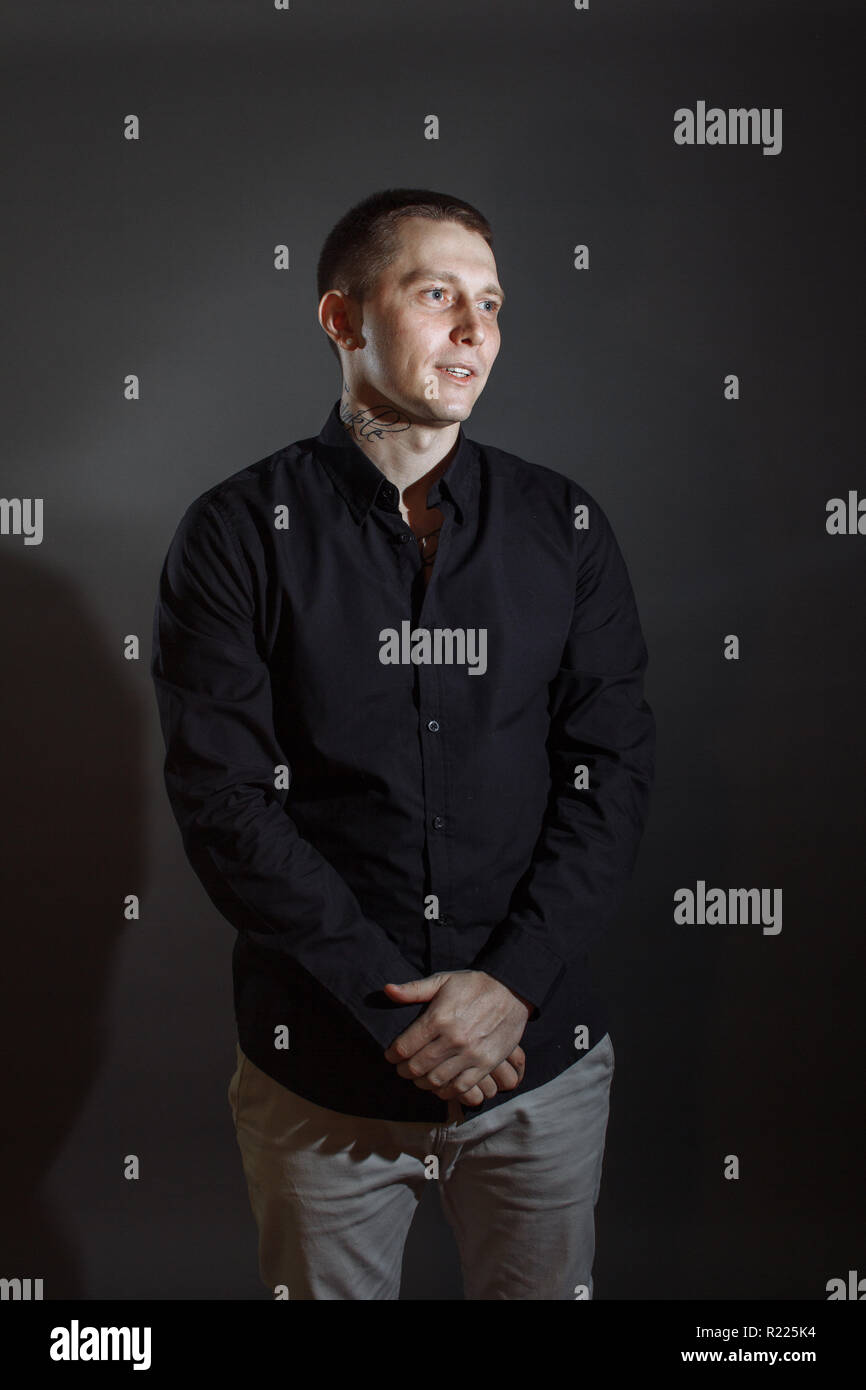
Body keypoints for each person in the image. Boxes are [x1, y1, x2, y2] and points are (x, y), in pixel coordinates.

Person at [151, 187, 656, 1300]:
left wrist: (507, 988)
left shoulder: (562, 528)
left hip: (538, 1068)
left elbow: (607, 773)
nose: (476, 332)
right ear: (341, 318)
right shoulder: (236, 534)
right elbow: (225, 802)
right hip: (319, 1077)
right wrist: (397, 1004)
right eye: (438, 295)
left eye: (490, 303)